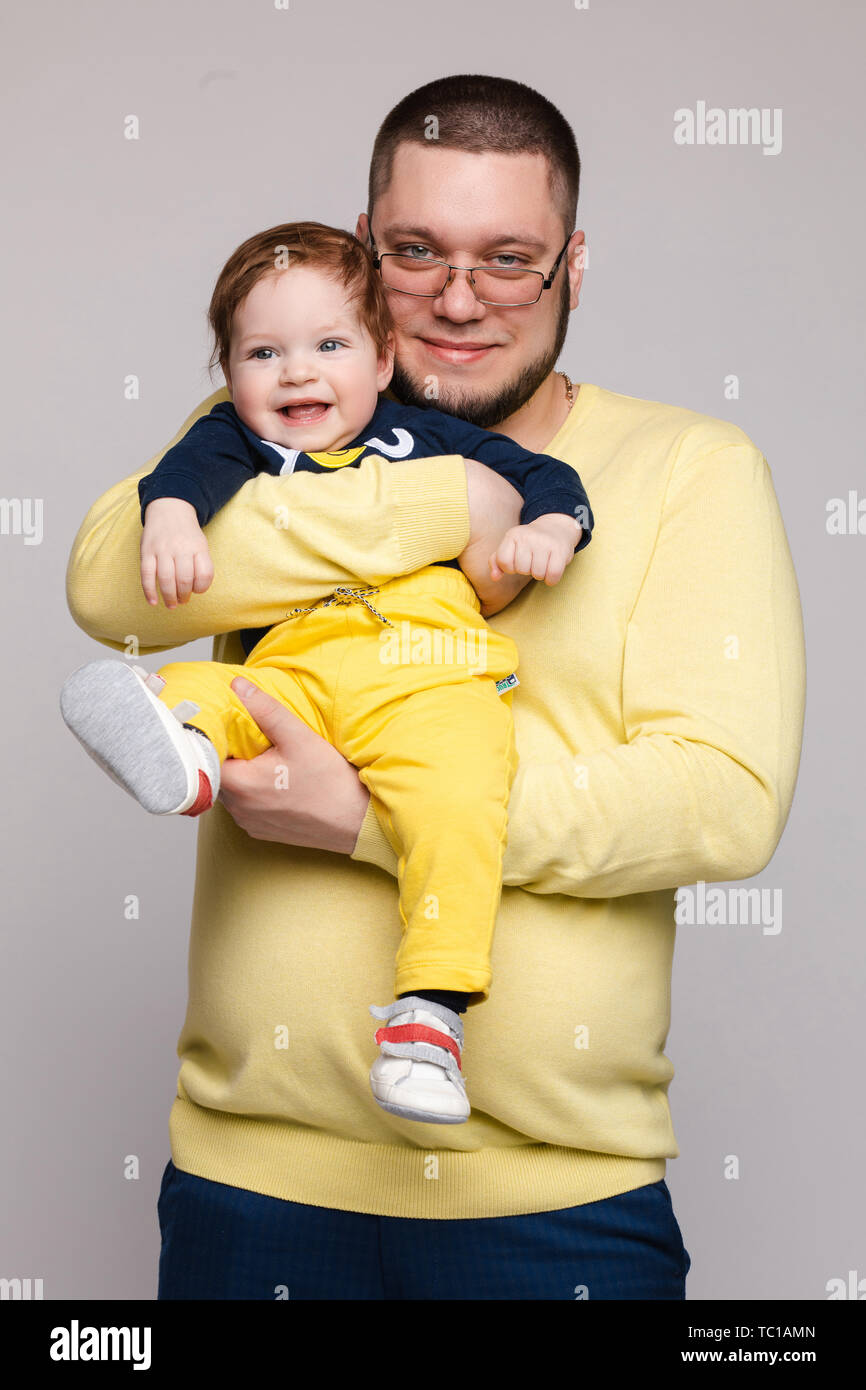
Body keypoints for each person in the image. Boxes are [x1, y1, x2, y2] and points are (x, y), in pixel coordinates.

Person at [64, 73, 806, 1300]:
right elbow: (109, 585)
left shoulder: (689, 467)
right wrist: (440, 502)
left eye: (508, 259)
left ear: (573, 263)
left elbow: (718, 798)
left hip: (552, 1202)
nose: (459, 301)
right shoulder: (279, 416)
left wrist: (365, 823)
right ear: (362, 249)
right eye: (416, 251)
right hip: (252, 1184)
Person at [59, 219, 593, 1126]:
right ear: (229, 373)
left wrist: (551, 528)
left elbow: (551, 479)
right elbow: (172, 484)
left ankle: (429, 1016)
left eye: (329, 346)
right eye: (262, 352)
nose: (296, 373)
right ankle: (177, 747)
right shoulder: (234, 442)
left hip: (428, 681)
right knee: (220, 696)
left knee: (462, 800)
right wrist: (174, 520)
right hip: (298, 664)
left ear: (384, 360)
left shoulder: (425, 436)